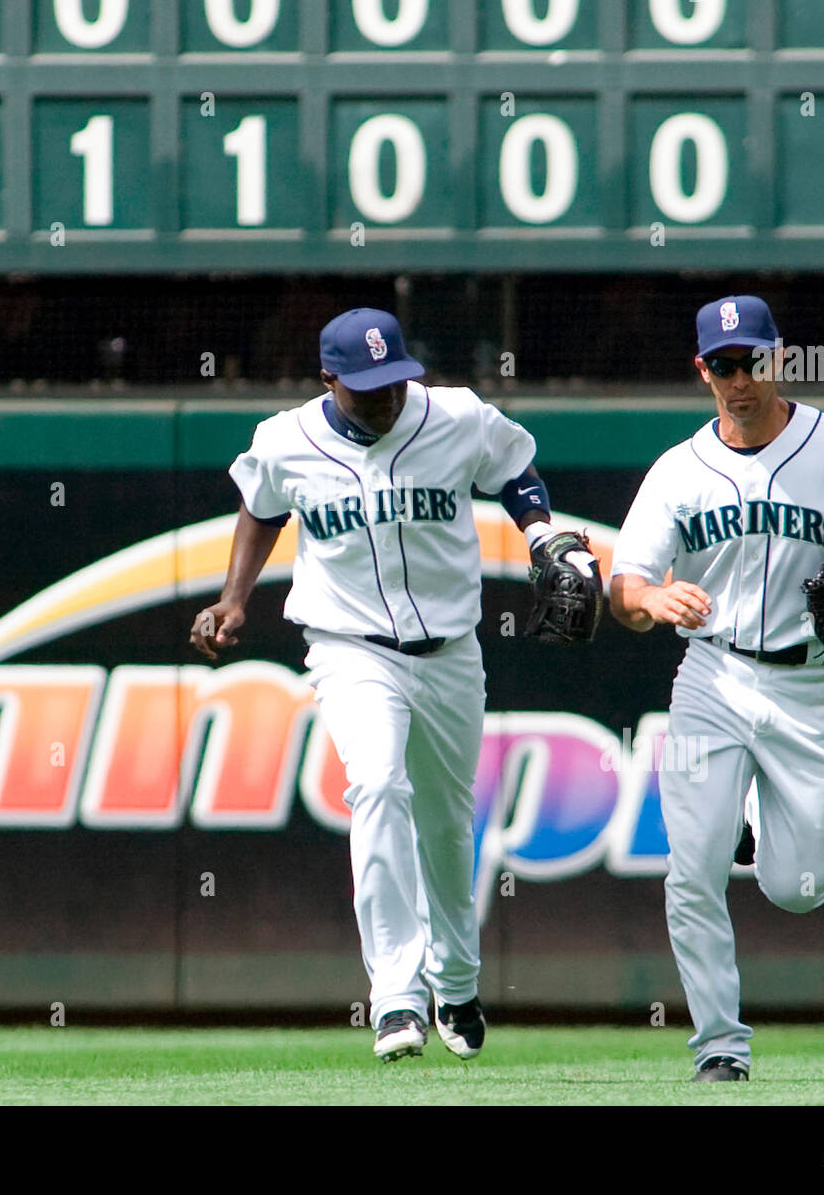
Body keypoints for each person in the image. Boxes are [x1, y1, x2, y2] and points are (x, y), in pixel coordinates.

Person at [189, 307, 588, 1062]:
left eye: (395, 383)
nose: (386, 399)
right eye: (366, 388)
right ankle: (396, 1000)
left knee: (444, 822)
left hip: (449, 650)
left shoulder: (456, 417)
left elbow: (516, 473)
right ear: (328, 379)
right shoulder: (286, 440)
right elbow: (259, 508)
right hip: (350, 647)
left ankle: (459, 982)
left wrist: (542, 535)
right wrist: (235, 597)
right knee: (376, 787)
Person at [608, 295, 824, 1082]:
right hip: (713, 675)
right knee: (690, 869)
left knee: (798, 889)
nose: (739, 378)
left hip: (817, 686)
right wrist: (651, 600)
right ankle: (721, 1047)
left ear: (780, 358)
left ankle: (756, 819)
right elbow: (623, 585)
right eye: (722, 365)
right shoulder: (680, 470)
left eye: (752, 360)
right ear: (701, 371)